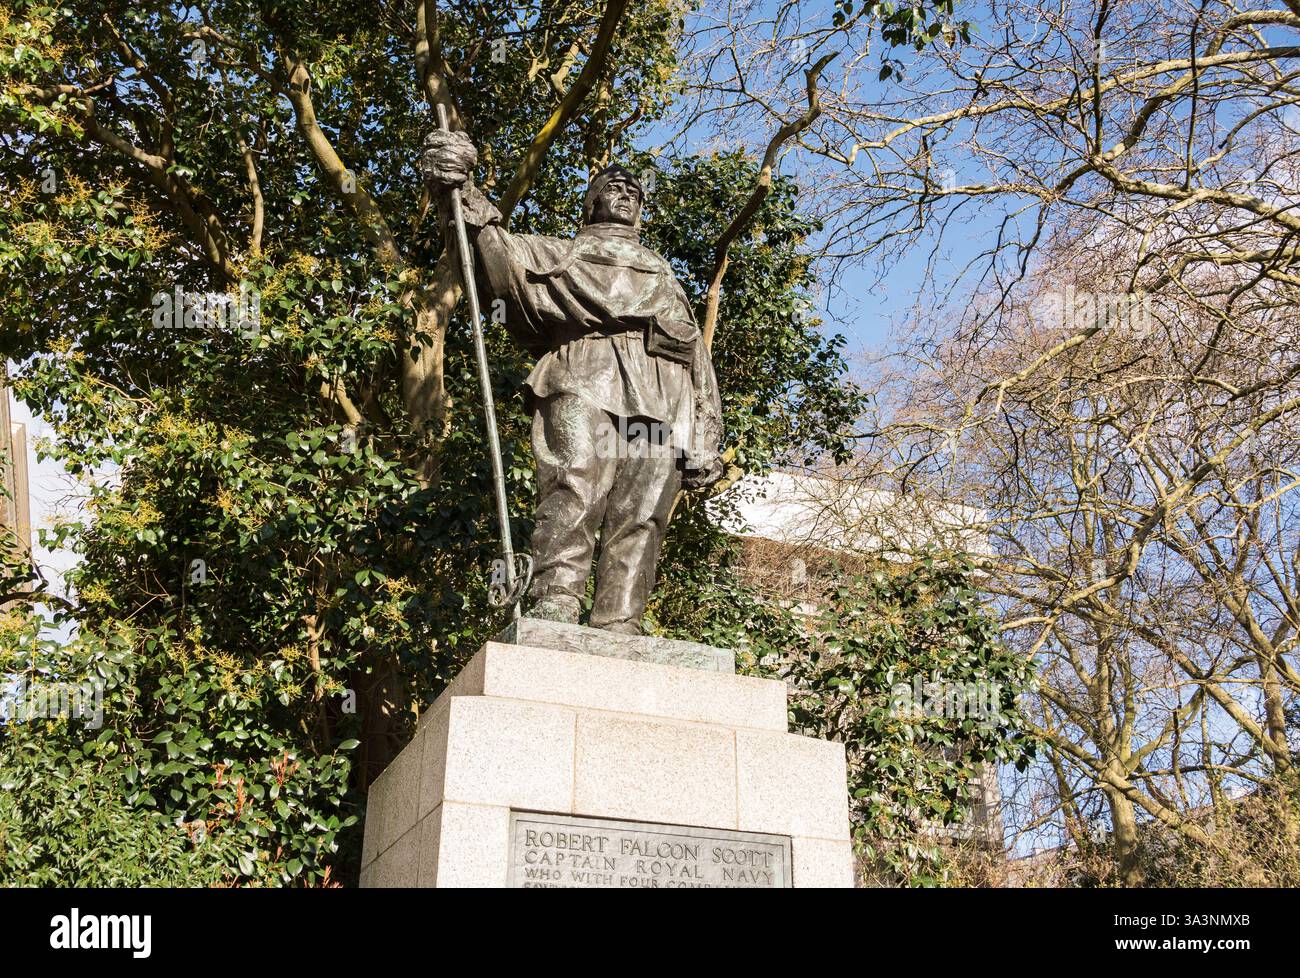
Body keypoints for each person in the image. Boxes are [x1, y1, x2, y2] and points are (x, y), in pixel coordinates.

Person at [420, 129, 723, 634]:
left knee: (643, 511)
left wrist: (706, 434)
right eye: (614, 186)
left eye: (635, 191)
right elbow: (496, 256)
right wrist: (460, 189)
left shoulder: (663, 274)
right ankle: (555, 603)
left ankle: (621, 620)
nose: (626, 194)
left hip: (662, 395)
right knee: (572, 486)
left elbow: (696, 355)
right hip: (584, 376)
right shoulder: (557, 254)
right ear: (591, 202)